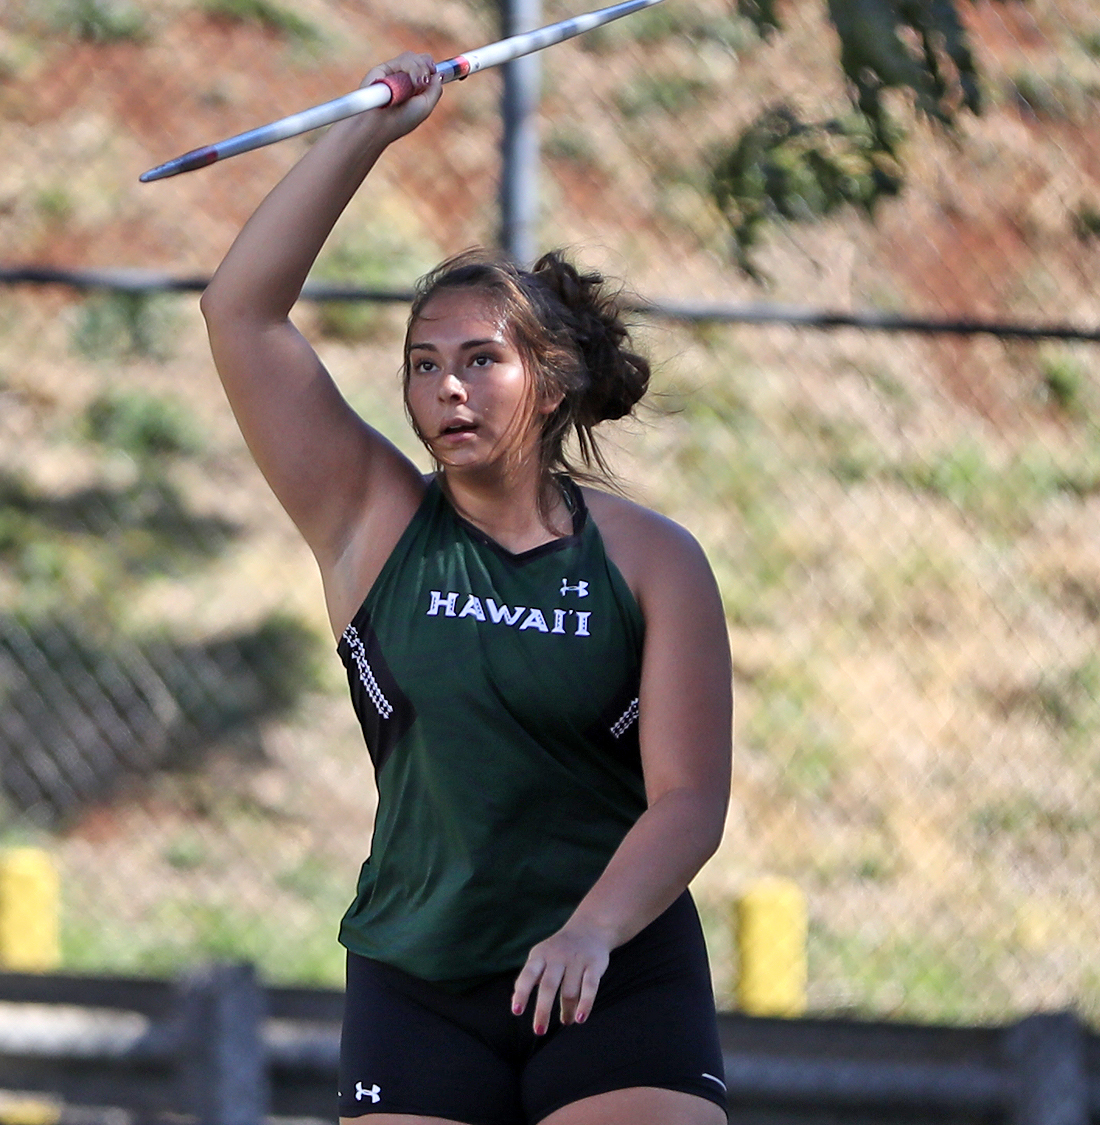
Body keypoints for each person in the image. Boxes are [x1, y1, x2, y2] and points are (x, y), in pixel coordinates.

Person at [199, 51, 733, 1125]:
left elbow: (689, 801)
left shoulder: (649, 559)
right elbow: (239, 315)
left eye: (480, 359)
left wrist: (590, 929)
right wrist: (367, 131)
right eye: (420, 362)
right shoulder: (370, 523)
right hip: (419, 972)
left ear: (550, 379)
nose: (445, 385)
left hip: (607, 961)